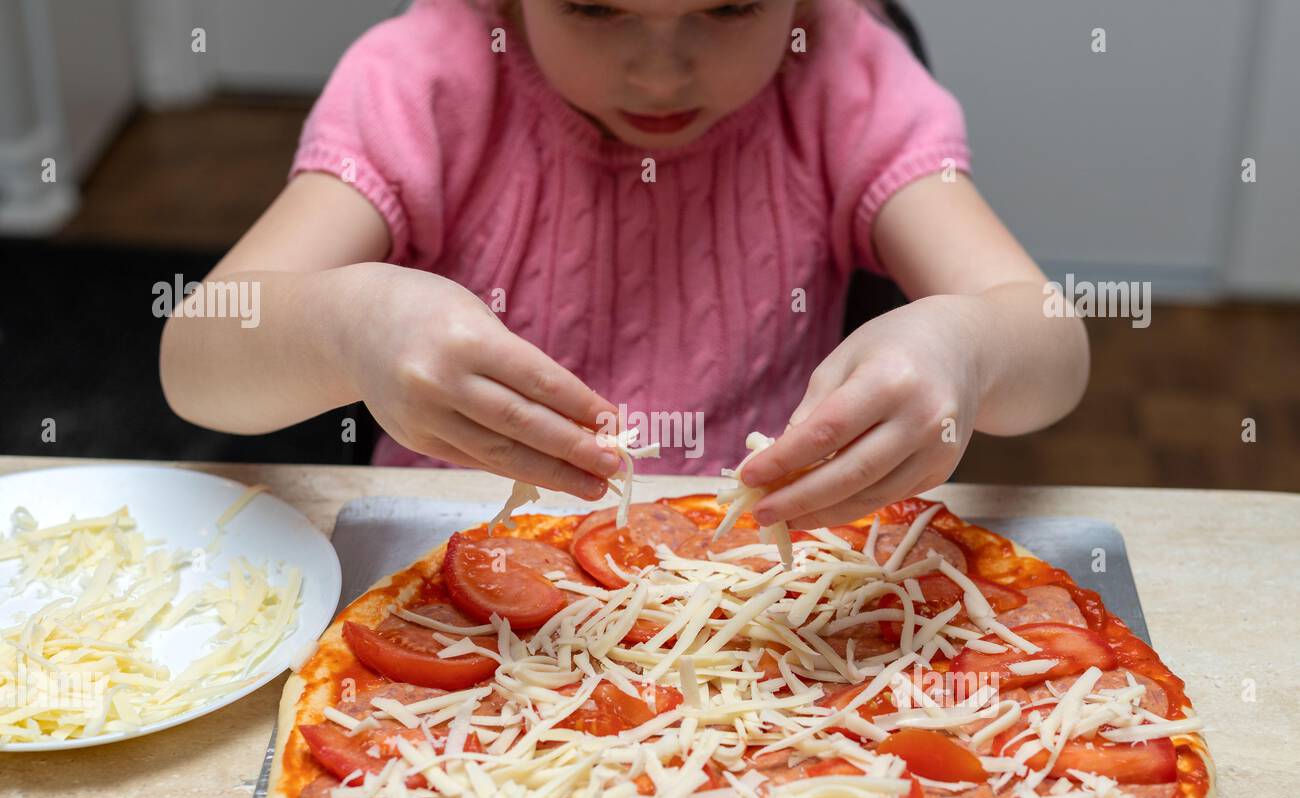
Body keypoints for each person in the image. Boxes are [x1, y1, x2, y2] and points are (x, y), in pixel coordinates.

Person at [160, 0, 1087, 530]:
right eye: (595, 9)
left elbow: (1051, 345)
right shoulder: (426, 80)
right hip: (458, 581)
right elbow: (196, 364)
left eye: (727, 9)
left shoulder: (842, 77)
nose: (658, 71)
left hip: (759, 591)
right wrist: (347, 327)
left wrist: (967, 347)